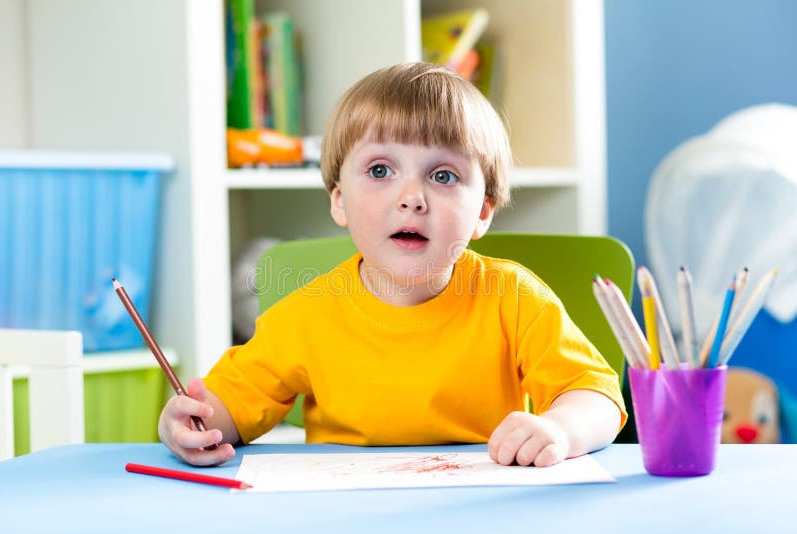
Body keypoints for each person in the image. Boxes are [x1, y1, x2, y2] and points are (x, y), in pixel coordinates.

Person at [159, 62, 626, 467]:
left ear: (483, 209)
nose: (411, 199)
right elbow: (224, 409)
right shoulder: (306, 315)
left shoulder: (516, 299)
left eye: (443, 176)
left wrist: (562, 430)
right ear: (339, 201)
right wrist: (187, 423)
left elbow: (597, 396)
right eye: (380, 170)